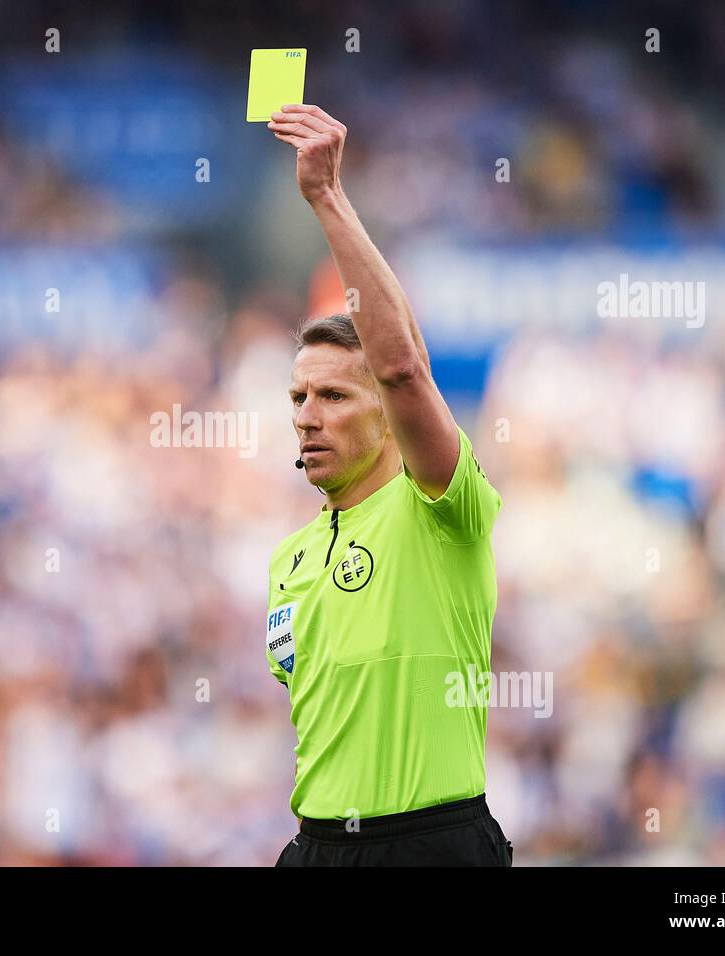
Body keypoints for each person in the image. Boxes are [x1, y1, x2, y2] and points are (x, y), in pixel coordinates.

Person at [264, 104, 511, 866]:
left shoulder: (441, 510)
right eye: (300, 398)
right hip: (316, 848)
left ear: (389, 416)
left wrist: (328, 199)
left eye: (335, 396)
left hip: (429, 847)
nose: (309, 416)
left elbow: (404, 367)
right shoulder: (288, 562)